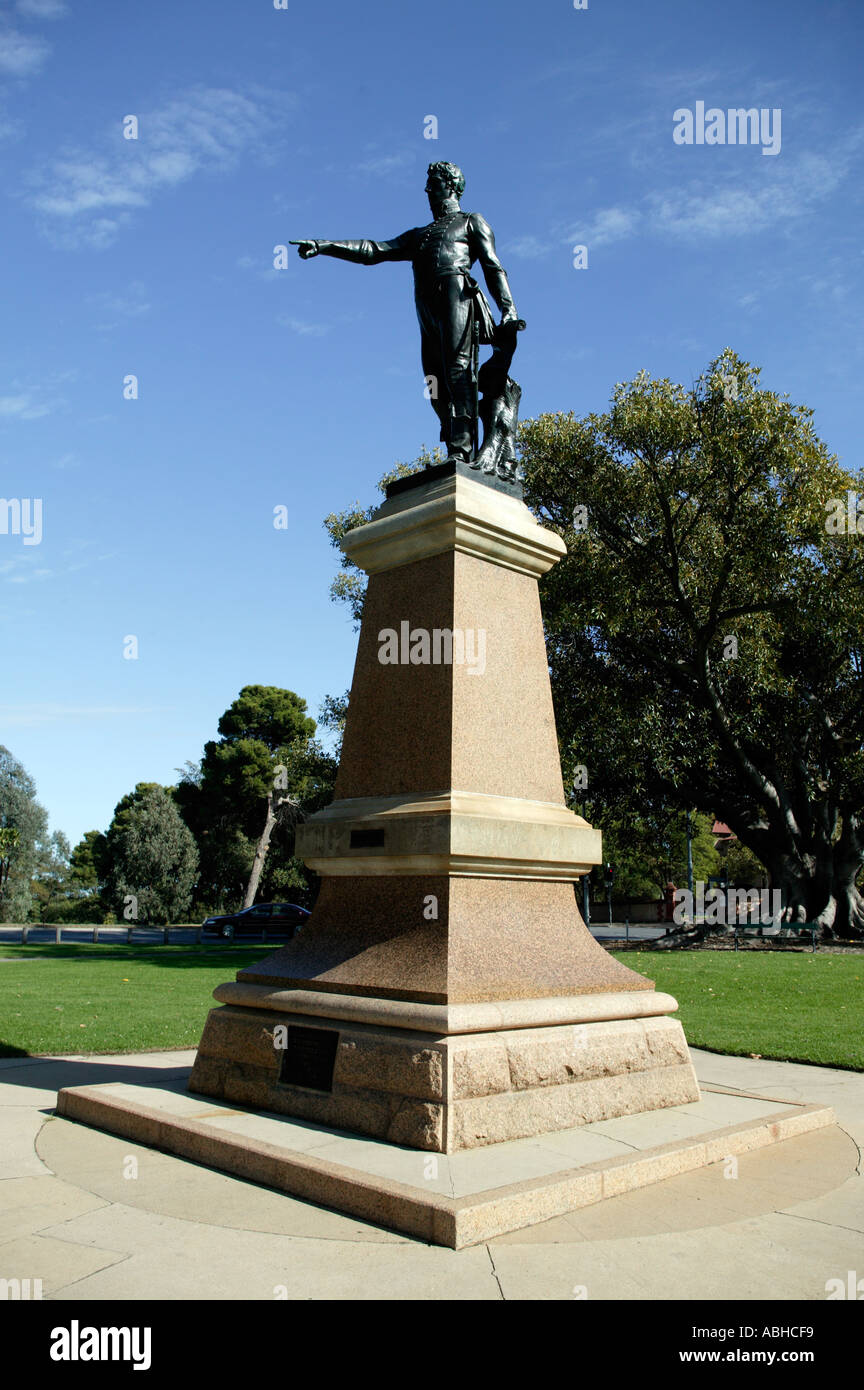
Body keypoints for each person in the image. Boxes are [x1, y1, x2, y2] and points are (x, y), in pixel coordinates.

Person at [292, 162, 520, 465]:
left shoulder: (471, 222)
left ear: (451, 186)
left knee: (458, 369)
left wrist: (508, 308)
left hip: (457, 295)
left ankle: (461, 449)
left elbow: (493, 267)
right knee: (433, 379)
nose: (427, 190)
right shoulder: (419, 236)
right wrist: (325, 246)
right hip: (426, 305)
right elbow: (374, 250)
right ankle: (451, 433)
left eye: (434, 183)